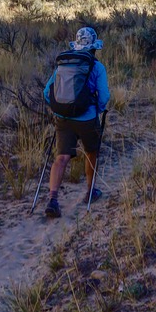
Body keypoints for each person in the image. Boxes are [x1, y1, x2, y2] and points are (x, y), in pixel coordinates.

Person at [41, 25, 110, 218]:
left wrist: (59, 108)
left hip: (63, 118)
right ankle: (90, 191)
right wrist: (97, 109)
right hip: (87, 118)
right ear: (94, 47)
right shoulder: (97, 67)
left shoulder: (64, 64)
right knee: (91, 152)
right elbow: (104, 95)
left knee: (61, 157)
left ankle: (53, 199)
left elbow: (47, 92)